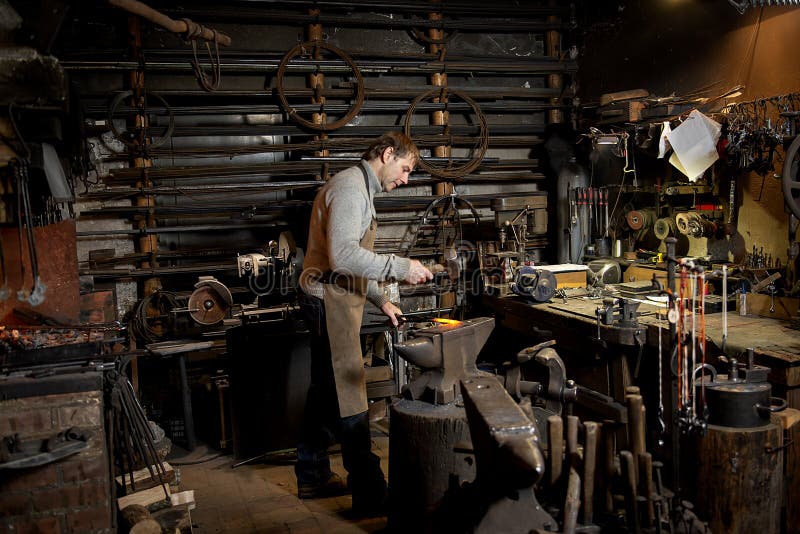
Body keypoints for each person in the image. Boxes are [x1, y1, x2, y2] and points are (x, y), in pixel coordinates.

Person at [295, 132, 433, 515]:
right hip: (328, 302)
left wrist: (382, 300)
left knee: (325, 389)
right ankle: (370, 491)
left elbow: (357, 258)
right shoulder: (352, 190)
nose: (405, 179)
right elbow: (343, 257)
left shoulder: (359, 188)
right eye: (404, 169)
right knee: (349, 393)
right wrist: (402, 268)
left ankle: (311, 472)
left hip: (337, 299)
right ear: (388, 154)